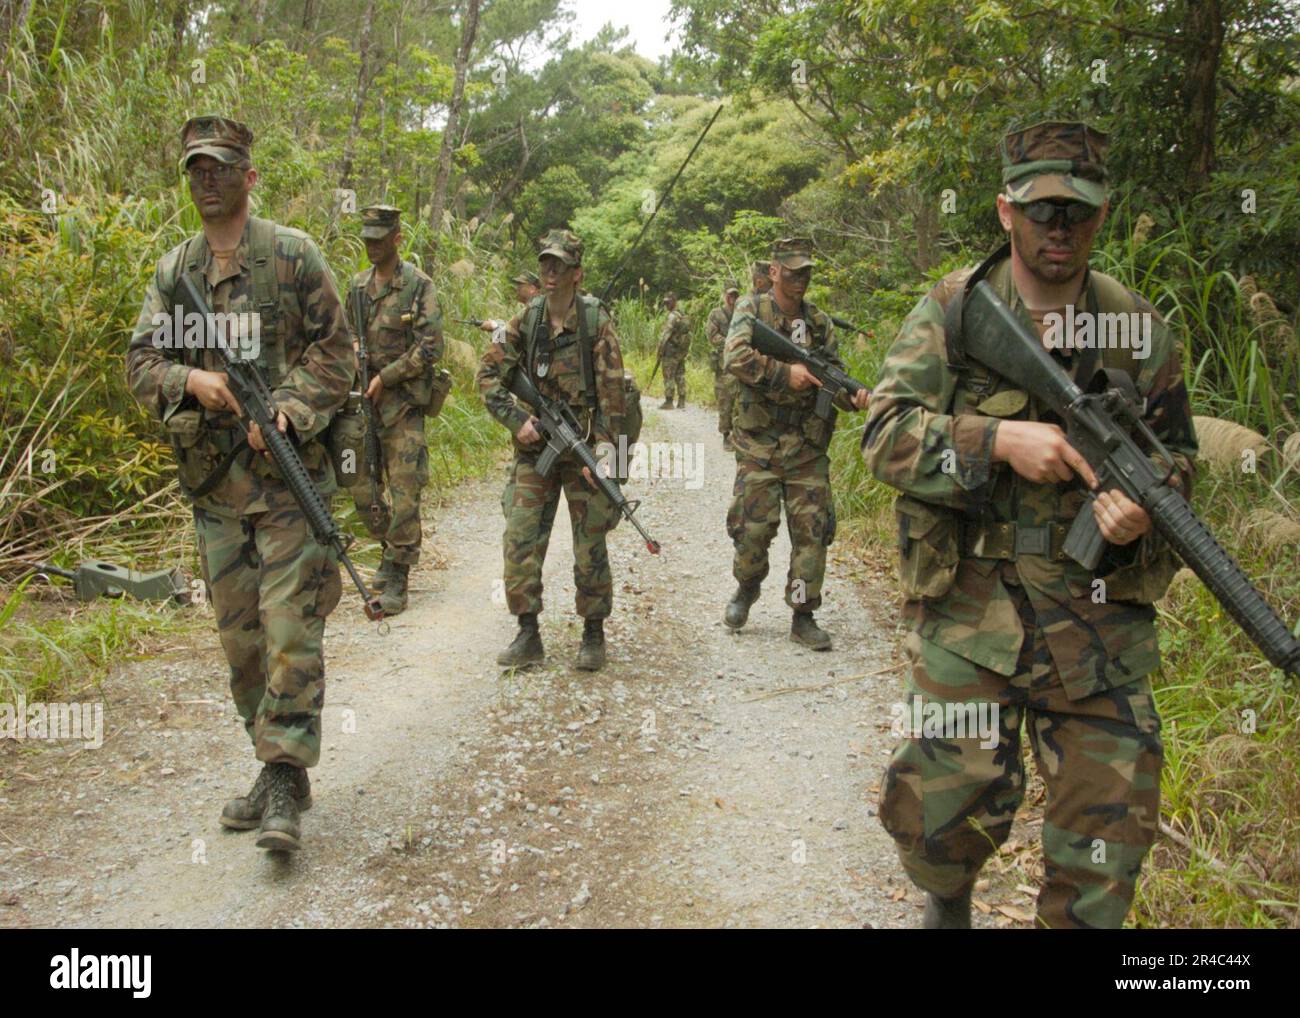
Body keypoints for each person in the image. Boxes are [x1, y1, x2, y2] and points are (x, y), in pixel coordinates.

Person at [863, 118, 1198, 928]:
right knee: (936, 825)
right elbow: (883, 435)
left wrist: (1140, 511)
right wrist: (995, 441)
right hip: (971, 612)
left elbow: (1180, 462)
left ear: (1101, 217)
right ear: (1006, 211)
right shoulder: (956, 308)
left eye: (1077, 214)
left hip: (1098, 629)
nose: (1060, 230)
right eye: (1042, 211)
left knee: (1105, 847)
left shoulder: (1137, 330)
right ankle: (949, 897)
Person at [126, 115, 354, 852]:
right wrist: (191, 379)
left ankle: (286, 778)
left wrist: (286, 409)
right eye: (196, 170)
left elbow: (336, 352)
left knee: (291, 631)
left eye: (221, 168)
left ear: (249, 176)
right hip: (216, 491)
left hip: (288, 488)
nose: (208, 181)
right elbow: (140, 364)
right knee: (241, 643)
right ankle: (272, 762)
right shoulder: (176, 271)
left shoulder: (291, 256)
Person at [476, 229, 628, 671]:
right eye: (545, 264)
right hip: (537, 448)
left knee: (590, 542)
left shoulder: (596, 322)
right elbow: (488, 377)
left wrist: (603, 454)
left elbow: (613, 397)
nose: (549, 273)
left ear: (577, 274)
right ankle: (527, 632)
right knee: (521, 535)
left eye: (559, 266)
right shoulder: (524, 320)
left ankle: (593, 632)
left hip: (583, 449)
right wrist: (516, 420)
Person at [722, 238, 871, 650]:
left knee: (812, 532)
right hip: (759, 444)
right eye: (791, 272)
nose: (799, 279)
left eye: (806, 272)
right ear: (773, 271)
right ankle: (747, 588)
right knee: (752, 531)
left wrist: (851, 396)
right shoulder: (751, 310)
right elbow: (733, 358)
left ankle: (803, 615)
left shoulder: (820, 323)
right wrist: (783, 374)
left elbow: (835, 376)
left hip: (806, 447)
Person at [346, 204, 444, 616]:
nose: (371, 246)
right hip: (363, 404)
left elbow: (430, 346)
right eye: (367, 239)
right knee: (361, 487)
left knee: (405, 489)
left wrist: (386, 376)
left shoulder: (418, 286)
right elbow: (346, 331)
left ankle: (399, 569)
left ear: (397, 239)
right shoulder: (356, 287)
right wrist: (351, 355)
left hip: (402, 404)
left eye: (379, 240)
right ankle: (389, 550)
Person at [707, 280, 741, 451]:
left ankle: (740, 434)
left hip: (742, 363)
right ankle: (726, 434)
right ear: (724, 295)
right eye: (730, 295)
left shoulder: (744, 313)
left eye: (735, 295)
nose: (732, 299)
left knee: (742, 401)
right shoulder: (716, 314)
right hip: (724, 365)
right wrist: (731, 342)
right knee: (725, 401)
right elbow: (712, 336)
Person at [657, 292, 690, 409]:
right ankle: (682, 401)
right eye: (665, 302)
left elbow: (665, 335)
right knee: (680, 375)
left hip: (671, 351)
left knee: (669, 375)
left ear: (674, 302)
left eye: (668, 302)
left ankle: (669, 401)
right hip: (680, 351)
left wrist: (660, 351)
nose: (666, 304)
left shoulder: (672, 316)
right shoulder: (682, 314)